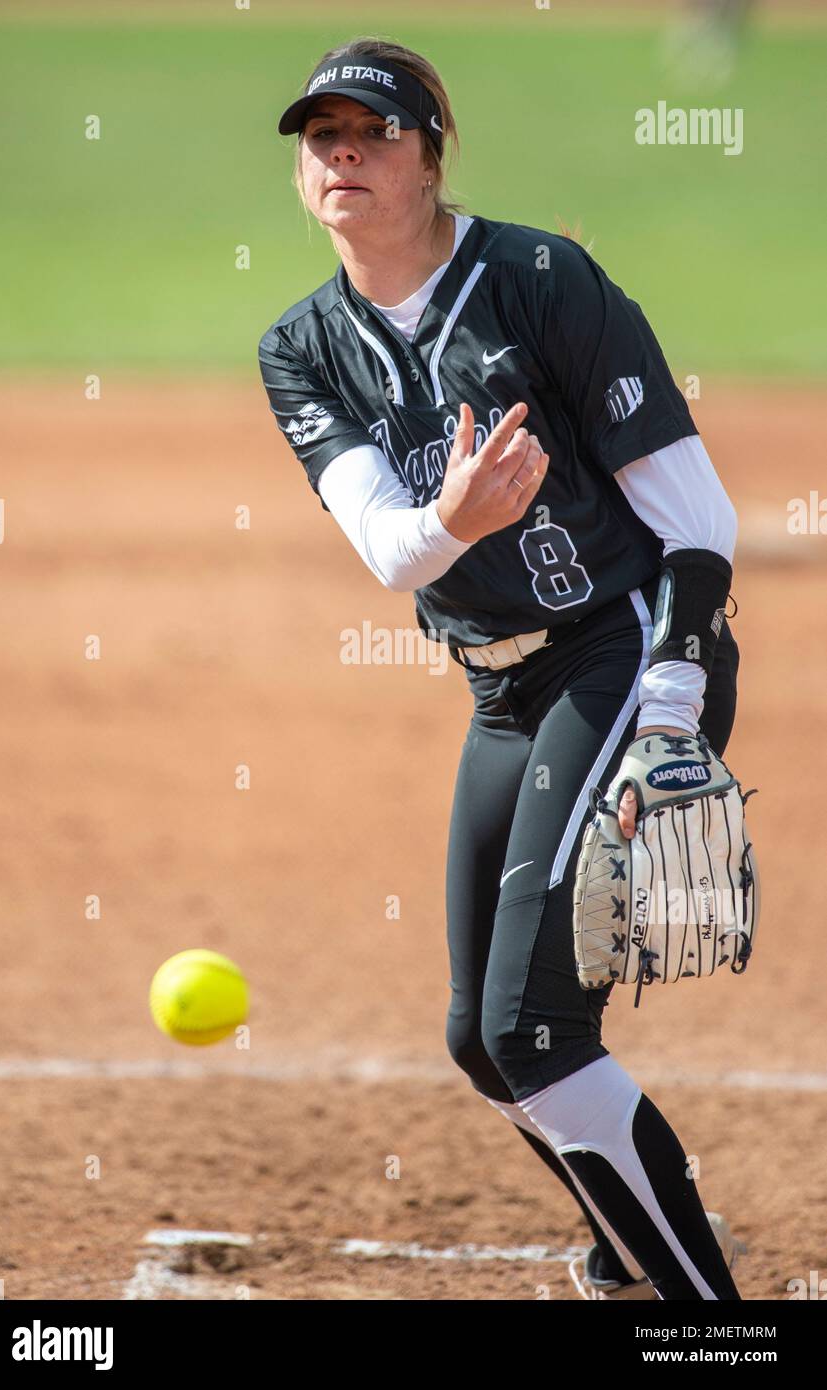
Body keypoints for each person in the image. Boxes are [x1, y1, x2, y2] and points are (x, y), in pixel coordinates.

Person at [259, 36, 746, 1300]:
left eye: (370, 131)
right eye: (321, 138)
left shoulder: (540, 280)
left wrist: (673, 711)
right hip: (501, 688)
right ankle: (631, 1240)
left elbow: (699, 522)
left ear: (430, 153)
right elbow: (389, 552)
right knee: (481, 1040)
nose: (342, 154)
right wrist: (456, 523)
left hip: (624, 653)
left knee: (535, 1032)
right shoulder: (302, 347)